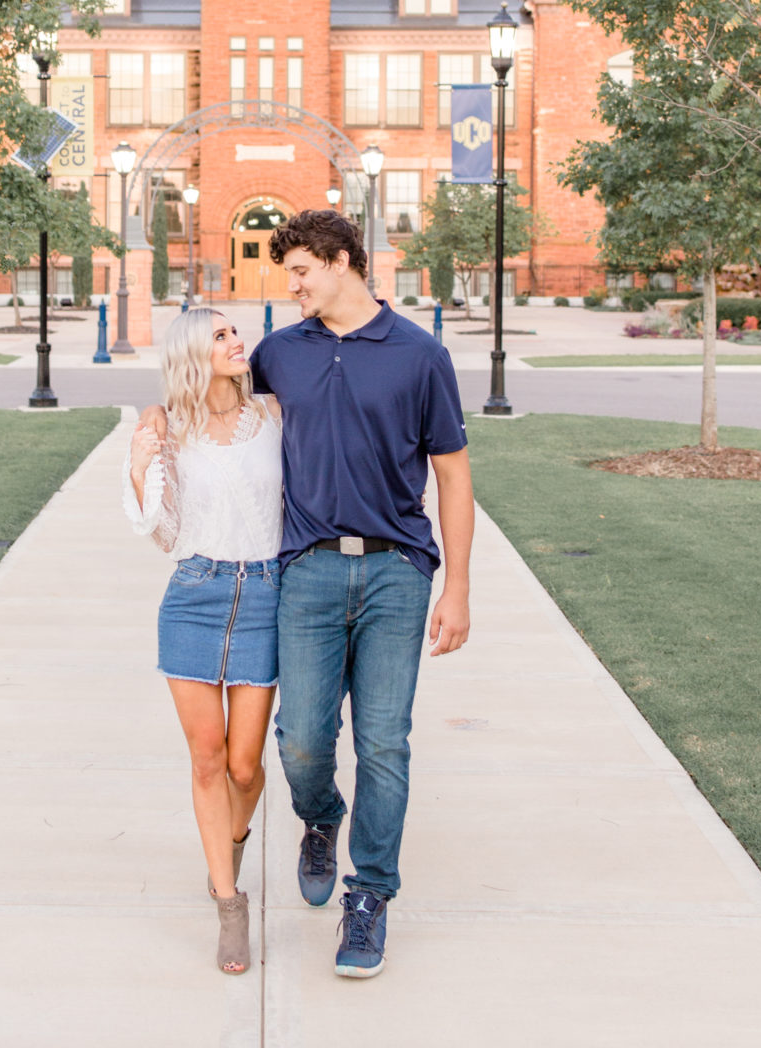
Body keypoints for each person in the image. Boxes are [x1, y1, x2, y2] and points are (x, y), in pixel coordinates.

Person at [142, 210, 474, 981]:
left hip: (397, 570)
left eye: (298, 272)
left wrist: (456, 587)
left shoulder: (421, 356)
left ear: (339, 262)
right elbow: (210, 398)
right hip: (307, 572)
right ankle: (319, 817)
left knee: (383, 740)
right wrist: (155, 418)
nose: (289, 287)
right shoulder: (281, 354)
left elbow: (453, 475)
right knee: (299, 741)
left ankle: (369, 897)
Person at [124, 307, 283, 976]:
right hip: (194, 595)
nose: (236, 341)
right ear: (195, 353)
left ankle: (231, 839)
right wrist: (142, 468)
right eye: (220, 336)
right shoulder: (169, 429)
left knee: (245, 767)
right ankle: (229, 903)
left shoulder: (273, 415)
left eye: (234, 332)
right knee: (207, 760)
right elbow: (162, 532)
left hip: (266, 596)